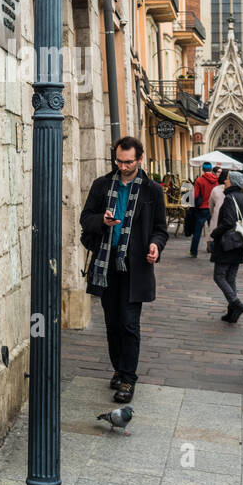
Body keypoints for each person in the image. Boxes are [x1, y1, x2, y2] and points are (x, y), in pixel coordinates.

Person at [80, 135, 168, 403]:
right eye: (119, 160)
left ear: (139, 159)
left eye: (128, 161)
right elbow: (86, 219)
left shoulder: (152, 190)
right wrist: (102, 221)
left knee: (129, 324)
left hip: (135, 266)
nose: (123, 166)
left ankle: (128, 379)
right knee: (112, 323)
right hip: (106, 265)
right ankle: (119, 368)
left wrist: (155, 246)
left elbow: (160, 230)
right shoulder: (102, 185)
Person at [209, 170, 243, 323]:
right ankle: (232, 313)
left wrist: (214, 233)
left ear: (233, 182)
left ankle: (236, 303)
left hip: (227, 243)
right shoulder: (242, 198)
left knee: (219, 276)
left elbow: (228, 222)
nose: (225, 181)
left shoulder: (229, 198)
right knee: (231, 278)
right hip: (238, 243)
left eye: (227, 179)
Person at [190, 160, 218, 257]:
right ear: (211, 169)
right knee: (213, 231)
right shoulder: (216, 180)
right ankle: (213, 250)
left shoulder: (199, 180)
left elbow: (195, 195)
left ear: (203, 169)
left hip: (202, 209)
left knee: (197, 232)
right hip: (212, 209)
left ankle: (194, 252)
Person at [207, 169, 229, 236]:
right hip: (229, 222)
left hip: (216, 219)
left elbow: (211, 206)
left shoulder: (215, 189)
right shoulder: (232, 190)